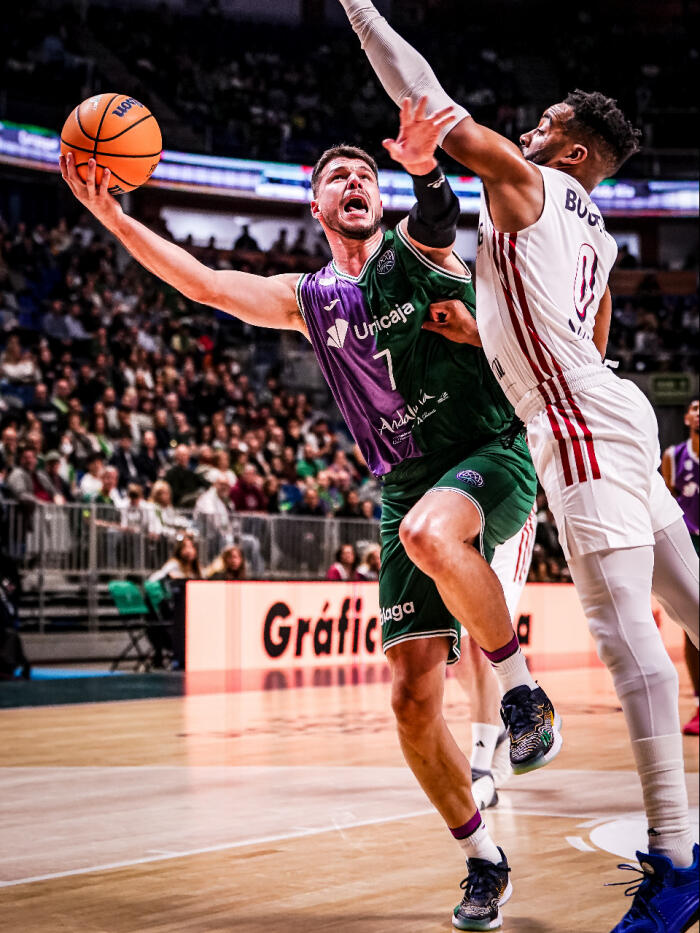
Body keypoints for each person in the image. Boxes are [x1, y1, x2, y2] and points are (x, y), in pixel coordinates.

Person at [59, 122, 562, 930]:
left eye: (365, 174)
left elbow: (440, 214)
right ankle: (482, 859)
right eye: (339, 177)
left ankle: (523, 696)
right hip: (405, 483)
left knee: (430, 534)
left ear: (380, 197)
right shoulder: (309, 298)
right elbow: (205, 284)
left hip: (486, 449)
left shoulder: (415, 248)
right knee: (411, 701)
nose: (355, 181)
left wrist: (426, 168)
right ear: (317, 206)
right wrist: (115, 217)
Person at [337, 4, 700, 928]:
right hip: (612, 405)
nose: (529, 130)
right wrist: (490, 337)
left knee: (628, 638)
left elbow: (430, 98)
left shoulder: (529, 181)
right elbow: (588, 332)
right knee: (696, 604)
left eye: (545, 125)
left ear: (572, 152)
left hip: (574, 424)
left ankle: (676, 862)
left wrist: (360, 10)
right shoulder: (599, 231)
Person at [661, 398, 699, 736]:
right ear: (687, 417)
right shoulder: (673, 456)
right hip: (690, 543)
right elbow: (665, 501)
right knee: (691, 624)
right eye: (695, 408)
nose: (699, 413)